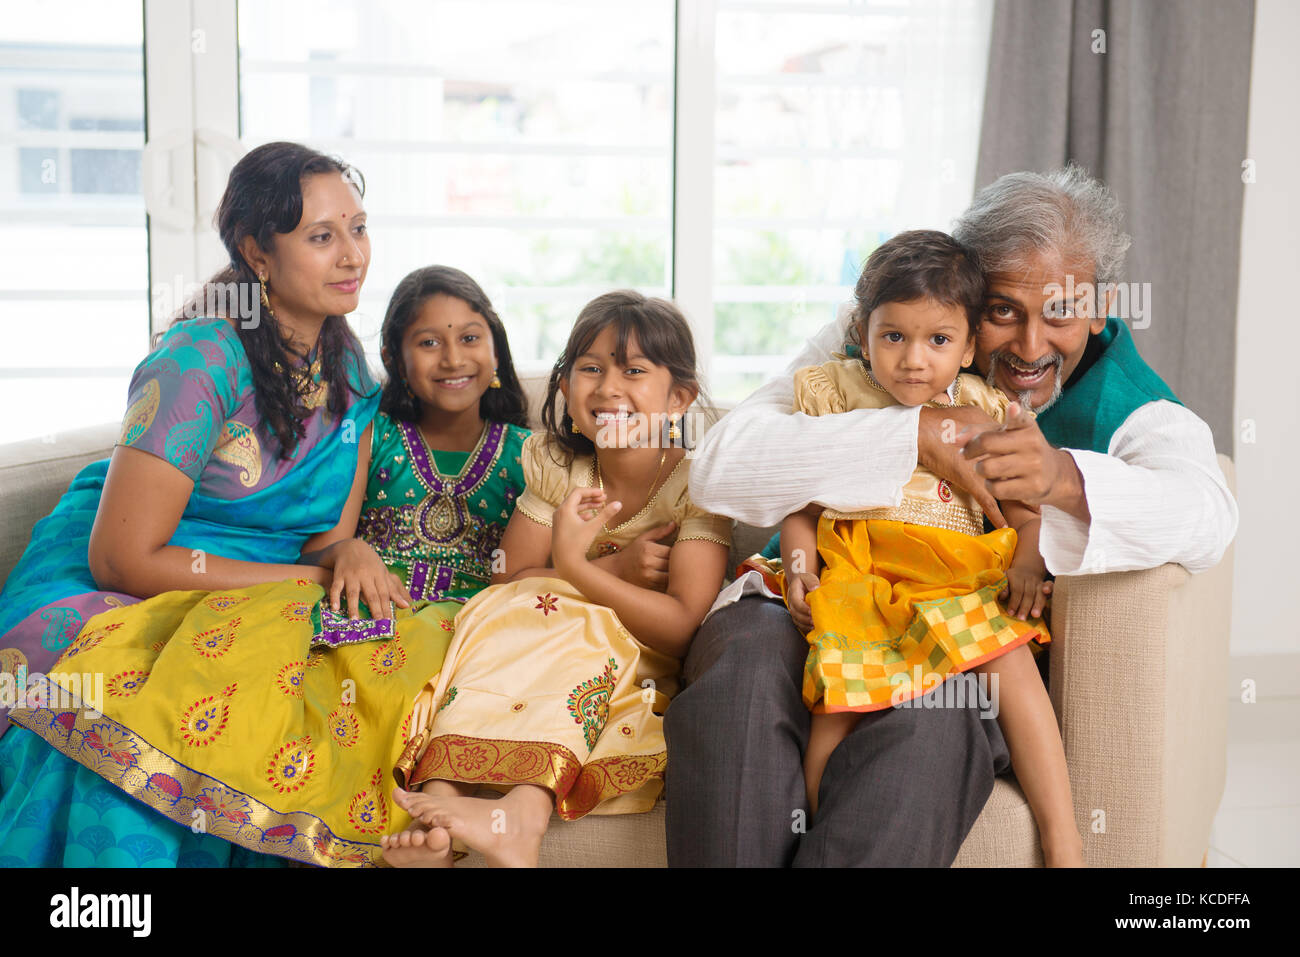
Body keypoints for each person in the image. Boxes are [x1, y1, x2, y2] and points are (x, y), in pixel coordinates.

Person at [668, 164, 1238, 868]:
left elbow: (1210, 514)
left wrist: (1062, 478)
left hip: (953, 633)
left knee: (933, 725)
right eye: (1003, 311)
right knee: (749, 672)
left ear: (1100, 306)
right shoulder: (884, 337)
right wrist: (918, 438)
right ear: (967, 303)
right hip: (816, 599)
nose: (1031, 347)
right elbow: (723, 462)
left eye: (1060, 312)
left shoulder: (1134, 404)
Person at [2, 141, 391, 867]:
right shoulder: (199, 359)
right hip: (121, 572)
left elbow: (322, 537)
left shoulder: (343, 360)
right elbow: (123, 556)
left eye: (359, 228)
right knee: (122, 722)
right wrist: (310, 581)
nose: (352, 255)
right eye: (321, 236)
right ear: (258, 254)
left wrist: (349, 550)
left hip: (253, 580)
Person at [381, 291, 732, 868]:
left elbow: (681, 628)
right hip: (536, 629)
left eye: (634, 371)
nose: (609, 388)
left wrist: (574, 568)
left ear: (679, 399)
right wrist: (610, 567)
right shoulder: (558, 464)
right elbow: (509, 580)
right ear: (565, 390)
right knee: (500, 614)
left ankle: (522, 814)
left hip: (629, 652)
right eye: (590, 369)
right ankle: (441, 808)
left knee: (577, 629)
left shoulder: (698, 483)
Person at [770, 230, 1079, 866]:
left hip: (957, 577)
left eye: (938, 341)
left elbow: (1026, 511)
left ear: (968, 346)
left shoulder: (987, 409)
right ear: (861, 331)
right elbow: (798, 506)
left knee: (1013, 668)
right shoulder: (833, 395)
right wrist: (802, 570)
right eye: (894, 337)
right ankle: (817, 831)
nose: (914, 359)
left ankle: (1062, 835)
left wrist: (1027, 560)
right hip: (860, 572)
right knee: (835, 703)